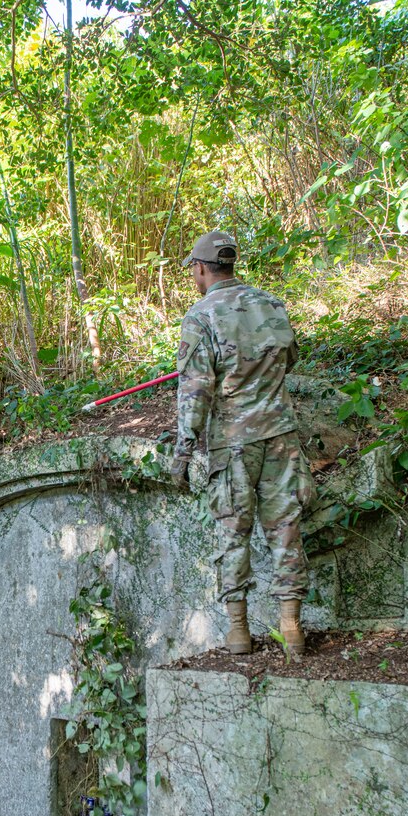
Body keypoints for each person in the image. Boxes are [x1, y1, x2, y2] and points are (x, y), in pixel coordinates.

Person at [170, 231, 315, 656]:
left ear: (200, 268)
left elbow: (196, 390)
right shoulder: (271, 303)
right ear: (231, 264)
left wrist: (183, 451)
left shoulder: (200, 316)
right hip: (280, 436)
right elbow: (289, 359)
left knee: (233, 533)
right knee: (286, 530)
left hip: (233, 444)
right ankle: (291, 628)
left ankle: (238, 632)